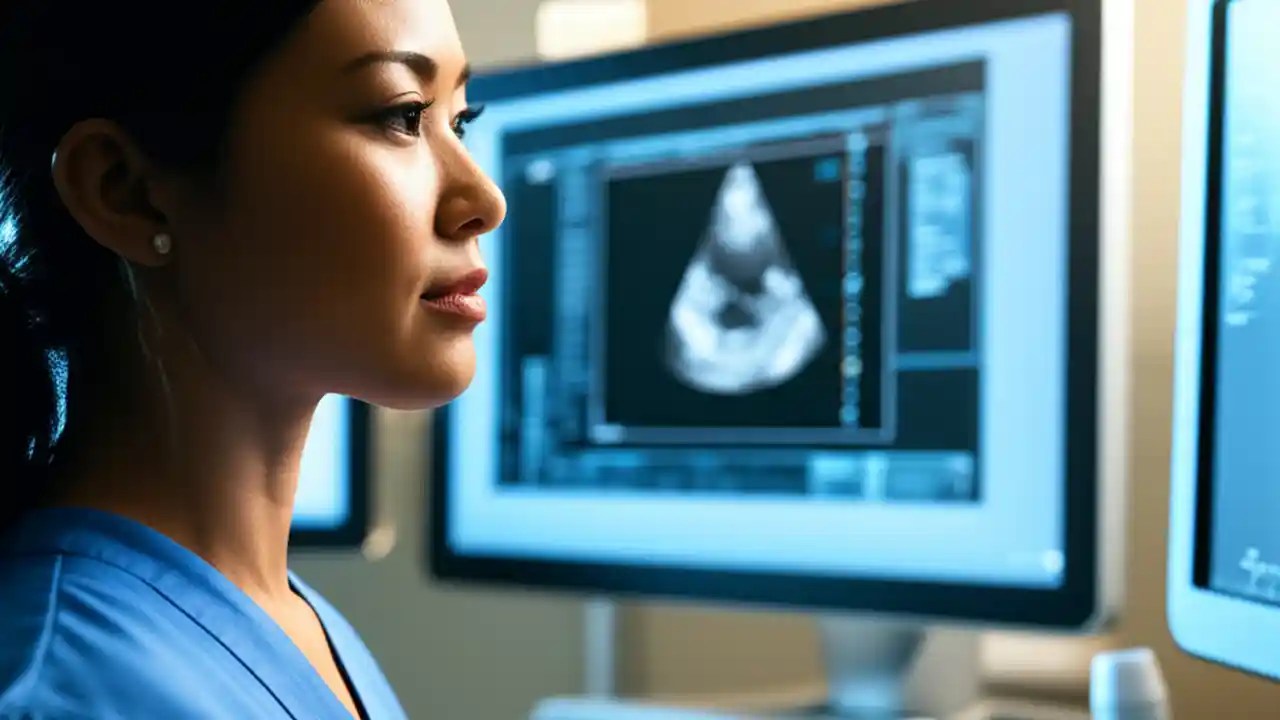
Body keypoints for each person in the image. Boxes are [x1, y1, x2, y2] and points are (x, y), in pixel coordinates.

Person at [0, 0, 505, 716]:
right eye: (402, 114)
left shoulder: (299, 626)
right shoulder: (59, 692)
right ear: (127, 193)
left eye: (460, 121)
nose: (485, 199)